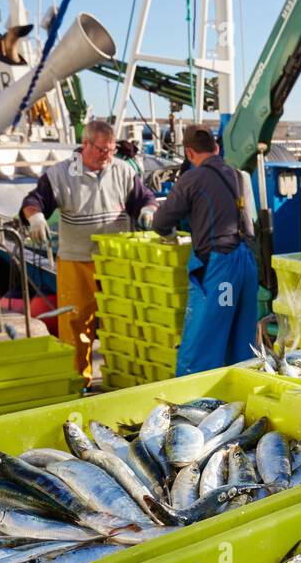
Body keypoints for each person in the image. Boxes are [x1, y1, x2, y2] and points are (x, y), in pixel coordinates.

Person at [22, 119, 157, 384]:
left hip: (115, 262)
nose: (107, 155)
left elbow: (144, 198)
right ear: (85, 144)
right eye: (102, 149)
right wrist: (35, 218)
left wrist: (148, 211)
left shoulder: (122, 170)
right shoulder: (60, 173)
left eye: (111, 149)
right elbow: (34, 201)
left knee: (120, 321)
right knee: (75, 322)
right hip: (77, 260)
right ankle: (77, 380)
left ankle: (121, 377)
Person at [149, 125, 260, 376]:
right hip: (247, 265)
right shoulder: (237, 175)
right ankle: (243, 397)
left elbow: (160, 223)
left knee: (201, 345)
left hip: (222, 272)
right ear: (216, 148)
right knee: (243, 344)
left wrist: (170, 235)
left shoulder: (192, 178)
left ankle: (190, 407)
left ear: (189, 153)